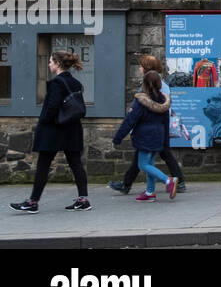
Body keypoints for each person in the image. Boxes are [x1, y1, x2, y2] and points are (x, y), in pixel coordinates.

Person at [9, 50, 91, 213]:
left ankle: (33, 202)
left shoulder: (56, 83)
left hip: (54, 130)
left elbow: (52, 107)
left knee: (43, 165)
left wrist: (44, 122)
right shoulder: (74, 82)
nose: (49, 64)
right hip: (72, 128)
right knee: (75, 163)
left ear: (58, 64)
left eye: (51, 62)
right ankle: (83, 200)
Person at [108, 55, 187, 195]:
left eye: (141, 66)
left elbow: (132, 117)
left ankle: (171, 181)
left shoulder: (147, 93)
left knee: (144, 163)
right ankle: (147, 190)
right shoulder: (161, 90)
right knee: (147, 161)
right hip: (158, 130)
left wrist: (120, 136)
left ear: (146, 69)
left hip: (148, 132)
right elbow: (163, 111)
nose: (139, 68)